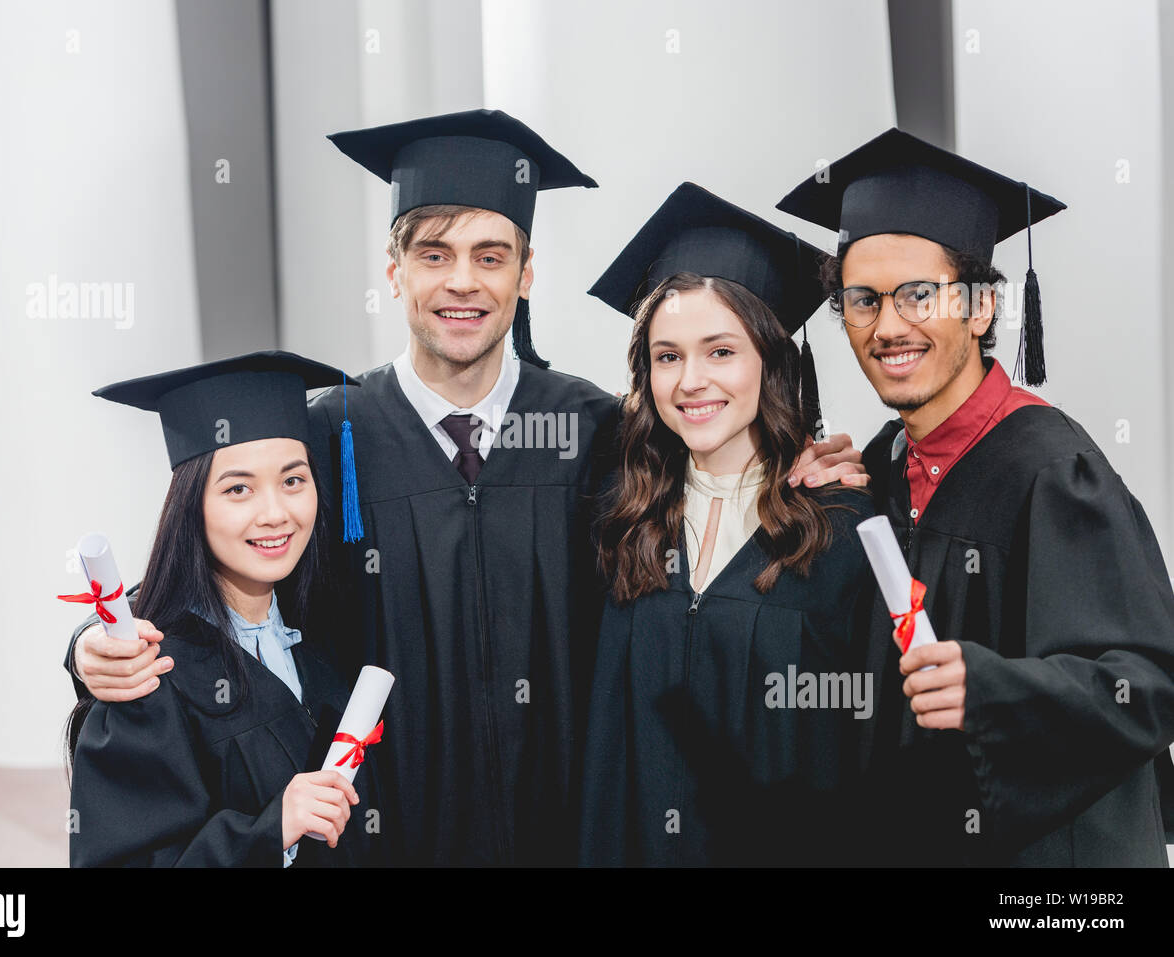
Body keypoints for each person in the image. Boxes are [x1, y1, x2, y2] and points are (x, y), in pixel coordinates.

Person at [64, 110, 864, 865]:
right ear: (393, 269)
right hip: (383, 834)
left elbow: (714, 468)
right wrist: (94, 648)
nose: (462, 283)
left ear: (524, 275)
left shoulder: (596, 430)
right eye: (434, 254)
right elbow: (220, 557)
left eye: (490, 255)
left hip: (569, 830)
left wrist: (803, 463)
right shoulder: (324, 432)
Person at [777, 127, 1174, 865]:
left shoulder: (1054, 469)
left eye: (918, 295)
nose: (888, 325)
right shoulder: (881, 469)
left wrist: (993, 690)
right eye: (863, 300)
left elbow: (1147, 686)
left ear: (982, 308)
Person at [578, 183, 874, 865]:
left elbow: (865, 756)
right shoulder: (622, 516)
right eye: (667, 355)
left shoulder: (840, 531)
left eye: (720, 351)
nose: (690, 381)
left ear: (770, 361)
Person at [66, 351, 382, 867]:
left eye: (294, 480)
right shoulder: (151, 676)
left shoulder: (321, 632)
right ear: (193, 505)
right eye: (238, 488)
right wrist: (268, 832)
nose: (276, 513)